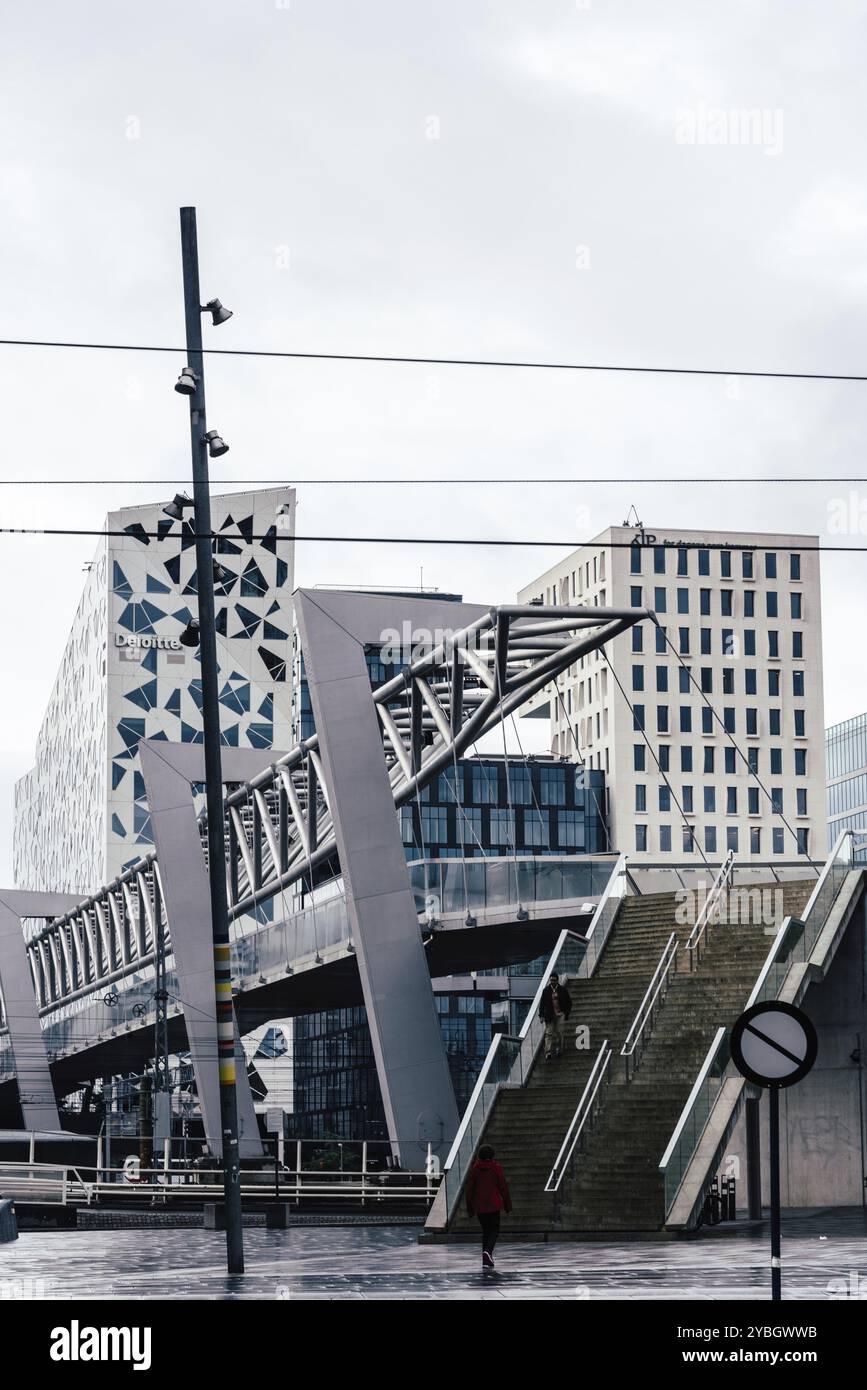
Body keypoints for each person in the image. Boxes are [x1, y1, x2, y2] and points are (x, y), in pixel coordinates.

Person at [465, 1143, 512, 1269]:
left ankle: (486, 1259)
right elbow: (503, 1187)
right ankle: (488, 1252)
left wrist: (470, 1208)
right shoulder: (496, 1168)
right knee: (494, 1230)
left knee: (486, 1231)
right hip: (493, 1204)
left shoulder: (475, 1168)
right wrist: (507, 1205)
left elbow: (470, 1189)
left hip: (480, 1206)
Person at [539, 971, 572, 1059]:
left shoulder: (562, 990)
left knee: (559, 1033)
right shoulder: (546, 990)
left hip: (560, 1014)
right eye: (551, 980)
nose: (552, 982)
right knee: (548, 1033)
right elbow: (542, 1004)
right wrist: (541, 1015)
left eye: (554, 980)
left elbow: (569, 1002)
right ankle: (548, 1052)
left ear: (557, 980)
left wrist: (566, 1013)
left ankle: (559, 1049)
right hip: (549, 1015)